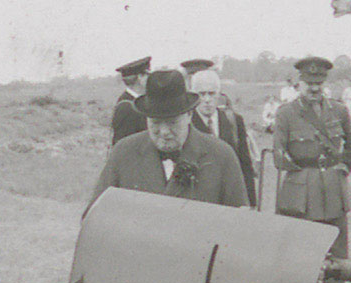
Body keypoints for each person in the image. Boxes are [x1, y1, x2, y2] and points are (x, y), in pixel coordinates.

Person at [273, 57, 351, 283]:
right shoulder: (286, 113)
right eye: (309, 83)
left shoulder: (339, 110)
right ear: (299, 83)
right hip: (301, 198)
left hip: (334, 192)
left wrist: (343, 167)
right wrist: (303, 172)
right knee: (301, 259)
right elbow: (278, 154)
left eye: (319, 83)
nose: (314, 88)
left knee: (338, 259)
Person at [89, 69, 248, 210]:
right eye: (155, 123)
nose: (164, 132)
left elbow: (239, 224)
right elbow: (95, 217)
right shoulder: (123, 153)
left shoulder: (222, 156)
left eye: (172, 122)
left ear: (189, 115)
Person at [189, 68, 257, 206]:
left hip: (228, 197)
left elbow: (244, 164)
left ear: (219, 94)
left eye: (211, 93)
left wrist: (250, 202)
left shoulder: (233, 121)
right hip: (199, 200)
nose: (207, 100)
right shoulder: (187, 123)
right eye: (202, 94)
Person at [110, 56, 151, 144]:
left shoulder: (136, 101)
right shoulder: (126, 107)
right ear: (140, 77)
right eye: (148, 75)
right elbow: (122, 143)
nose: (150, 79)